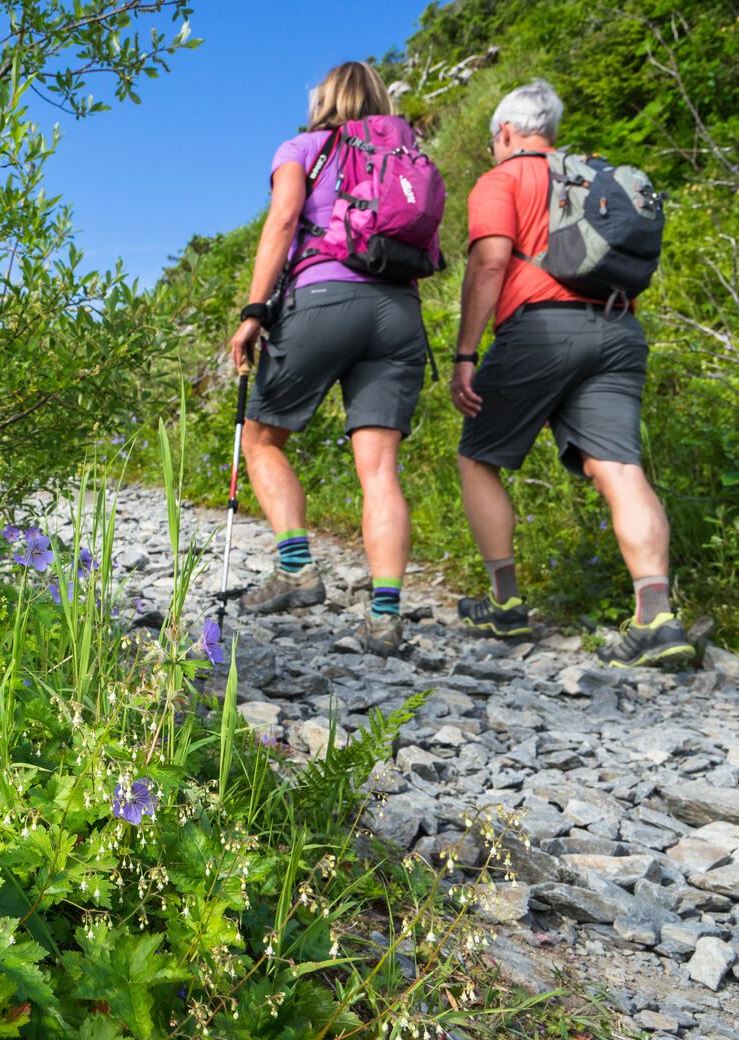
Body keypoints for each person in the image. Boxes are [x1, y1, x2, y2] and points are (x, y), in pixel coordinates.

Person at [449, 79, 695, 668]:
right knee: (619, 467)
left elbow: (490, 262)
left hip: (540, 329)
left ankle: (506, 604)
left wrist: (465, 354)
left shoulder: (502, 178)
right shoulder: (590, 176)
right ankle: (656, 618)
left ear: (506, 131)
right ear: (551, 132)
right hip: (618, 327)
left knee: (478, 457)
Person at [228, 62, 431, 655]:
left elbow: (283, 220)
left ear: (323, 102)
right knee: (379, 470)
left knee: (261, 439)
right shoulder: (407, 154)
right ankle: (385, 619)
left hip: (323, 300)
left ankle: (296, 569)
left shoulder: (303, 148)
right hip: (399, 311)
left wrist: (254, 310)